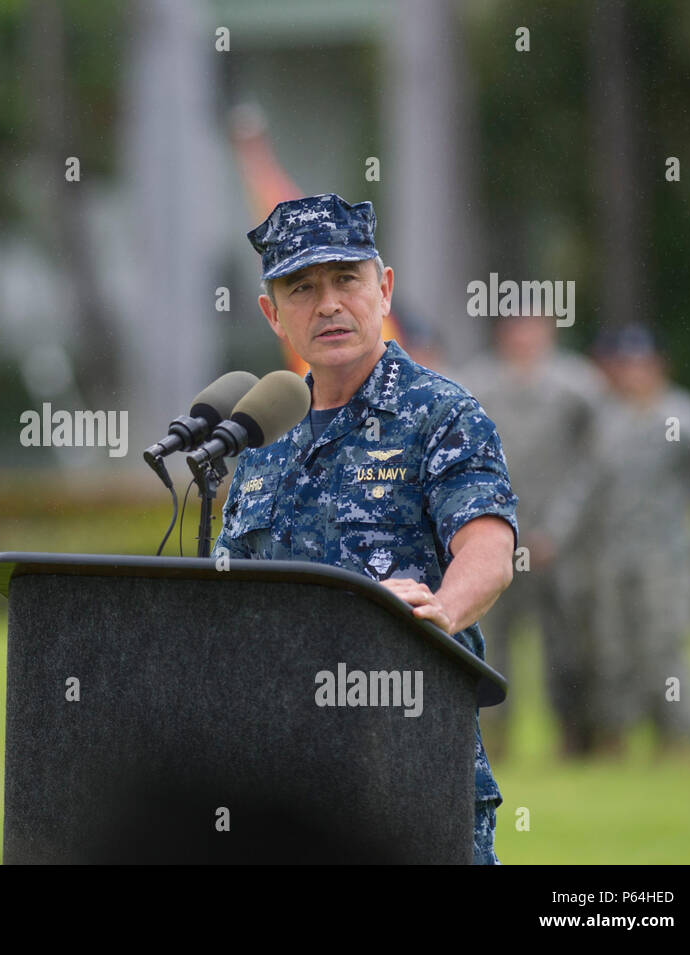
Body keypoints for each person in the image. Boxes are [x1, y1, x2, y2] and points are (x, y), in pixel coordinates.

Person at [215, 194, 518, 864]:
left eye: (345, 279)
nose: (327, 304)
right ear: (273, 314)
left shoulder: (440, 413)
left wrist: (444, 607)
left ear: (383, 289)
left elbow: (488, 545)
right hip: (278, 777)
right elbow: (225, 590)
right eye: (302, 287)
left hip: (406, 760)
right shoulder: (261, 436)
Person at [550, 325, 690, 758]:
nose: (632, 374)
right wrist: (553, 534)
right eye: (624, 365)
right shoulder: (605, 420)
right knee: (613, 649)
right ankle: (616, 736)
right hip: (610, 553)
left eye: (640, 364)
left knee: (663, 646)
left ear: (658, 366)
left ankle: (677, 737)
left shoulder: (683, 415)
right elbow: (583, 486)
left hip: (666, 556)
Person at [456, 313, 608, 758]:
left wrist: (558, 530)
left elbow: (591, 466)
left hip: (559, 543)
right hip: (494, 534)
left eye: (533, 328)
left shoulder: (578, 387)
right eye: (515, 328)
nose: (524, 338)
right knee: (491, 639)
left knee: (567, 643)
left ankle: (575, 736)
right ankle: (493, 738)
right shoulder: (475, 385)